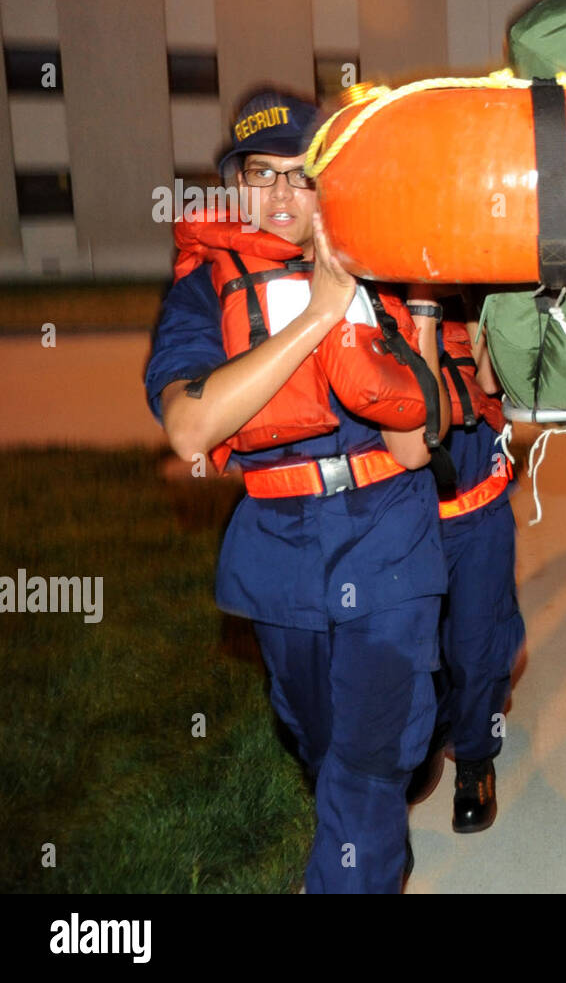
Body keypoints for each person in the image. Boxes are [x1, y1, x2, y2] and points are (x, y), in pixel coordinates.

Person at [145, 89, 451, 893]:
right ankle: (371, 832)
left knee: (365, 762)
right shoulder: (206, 290)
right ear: (235, 186)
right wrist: (317, 316)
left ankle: (359, 852)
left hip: (388, 533)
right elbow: (188, 427)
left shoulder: (380, 265)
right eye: (262, 175)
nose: (282, 197)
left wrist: (401, 317)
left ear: (332, 184)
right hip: (281, 547)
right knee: (320, 742)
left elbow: (417, 448)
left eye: (301, 176)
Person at [427, 291, 525, 832]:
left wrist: (469, 304)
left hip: (476, 509)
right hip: (400, 516)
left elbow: (491, 381)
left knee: (474, 647)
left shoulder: (474, 274)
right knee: (413, 647)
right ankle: (424, 738)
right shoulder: (373, 276)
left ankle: (473, 758)